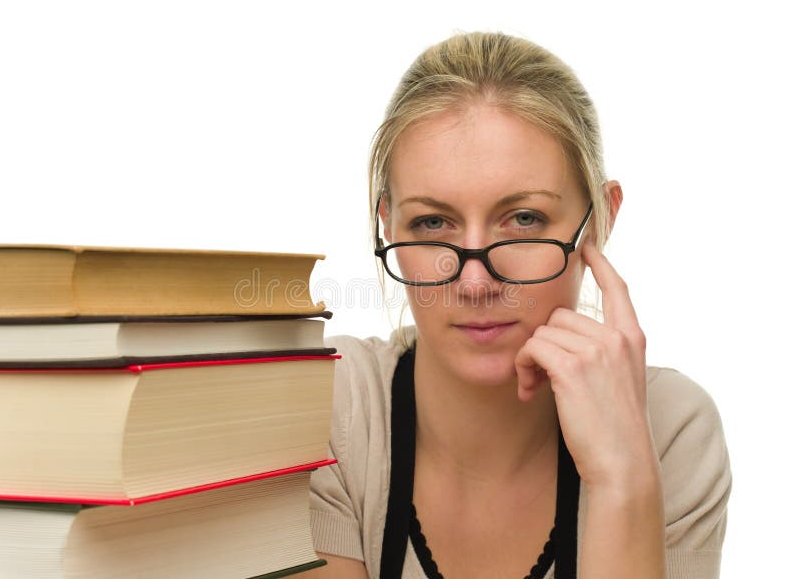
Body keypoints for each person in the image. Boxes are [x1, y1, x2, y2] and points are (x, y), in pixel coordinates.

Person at [304, 32, 731, 579]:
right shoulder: (331, 409)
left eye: (524, 219)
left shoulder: (671, 429)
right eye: (433, 223)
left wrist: (621, 477)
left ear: (598, 220)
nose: (476, 282)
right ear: (388, 226)